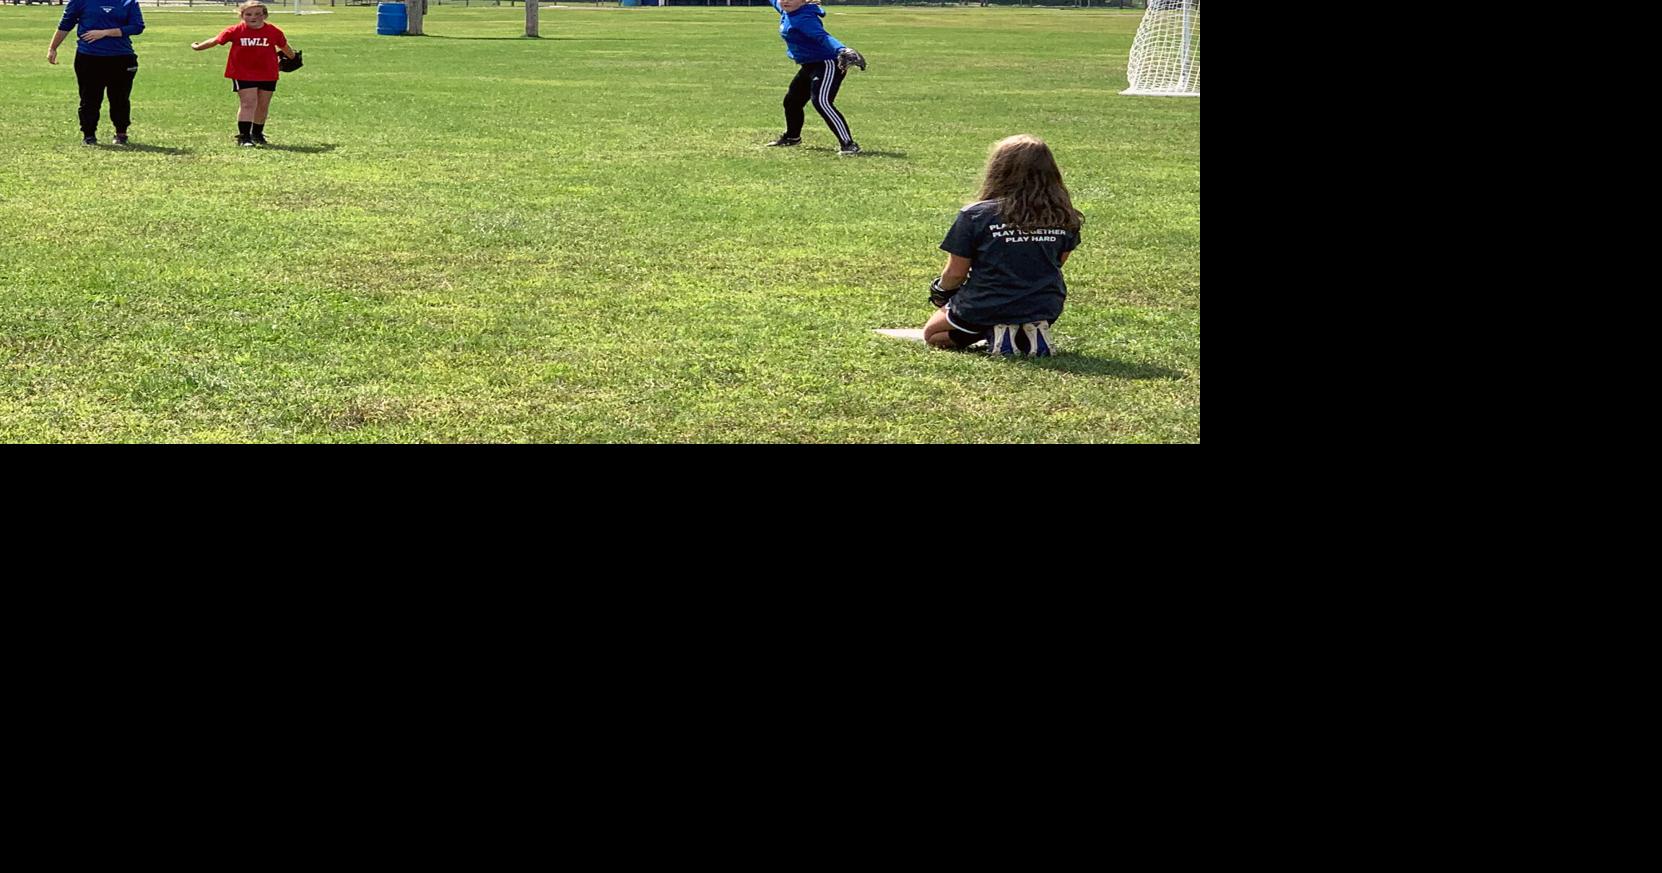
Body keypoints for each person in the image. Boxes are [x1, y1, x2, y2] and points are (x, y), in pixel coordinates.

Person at [923, 135, 1084, 357]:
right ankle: (1023, 333)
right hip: (1044, 305)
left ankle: (994, 332)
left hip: (985, 303)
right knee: (1021, 312)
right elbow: (1056, 263)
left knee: (933, 334)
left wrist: (940, 291)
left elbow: (955, 273)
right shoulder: (1065, 215)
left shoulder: (976, 214)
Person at [764, 0, 865, 157]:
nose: (785, 1)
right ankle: (792, 137)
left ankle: (849, 145)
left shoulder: (805, 19)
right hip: (809, 65)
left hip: (827, 64)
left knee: (822, 102)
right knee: (792, 101)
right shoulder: (787, 9)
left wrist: (843, 50)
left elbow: (823, 37)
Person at [191, 1, 297, 148]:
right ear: (242, 16)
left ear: (265, 15)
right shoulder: (235, 30)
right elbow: (216, 40)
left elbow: (284, 46)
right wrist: (198, 47)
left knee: (263, 104)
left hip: (268, 72)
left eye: (258, 14)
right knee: (248, 103)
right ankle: (244, 137)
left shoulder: (273, 31)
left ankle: (257, 134)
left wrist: (293, 58)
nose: (253, 17)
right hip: (243, 72)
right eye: (248, 14)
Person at [47, 0, 145, 146]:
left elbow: (137, 27)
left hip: (121, 57)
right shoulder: (79, 2)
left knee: (120, 98)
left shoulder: (129, 2)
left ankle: (121, 133)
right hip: (89, 57)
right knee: (89, 98)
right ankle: (89, 135)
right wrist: (53, 48)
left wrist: (105, 33)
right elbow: (65, 24)